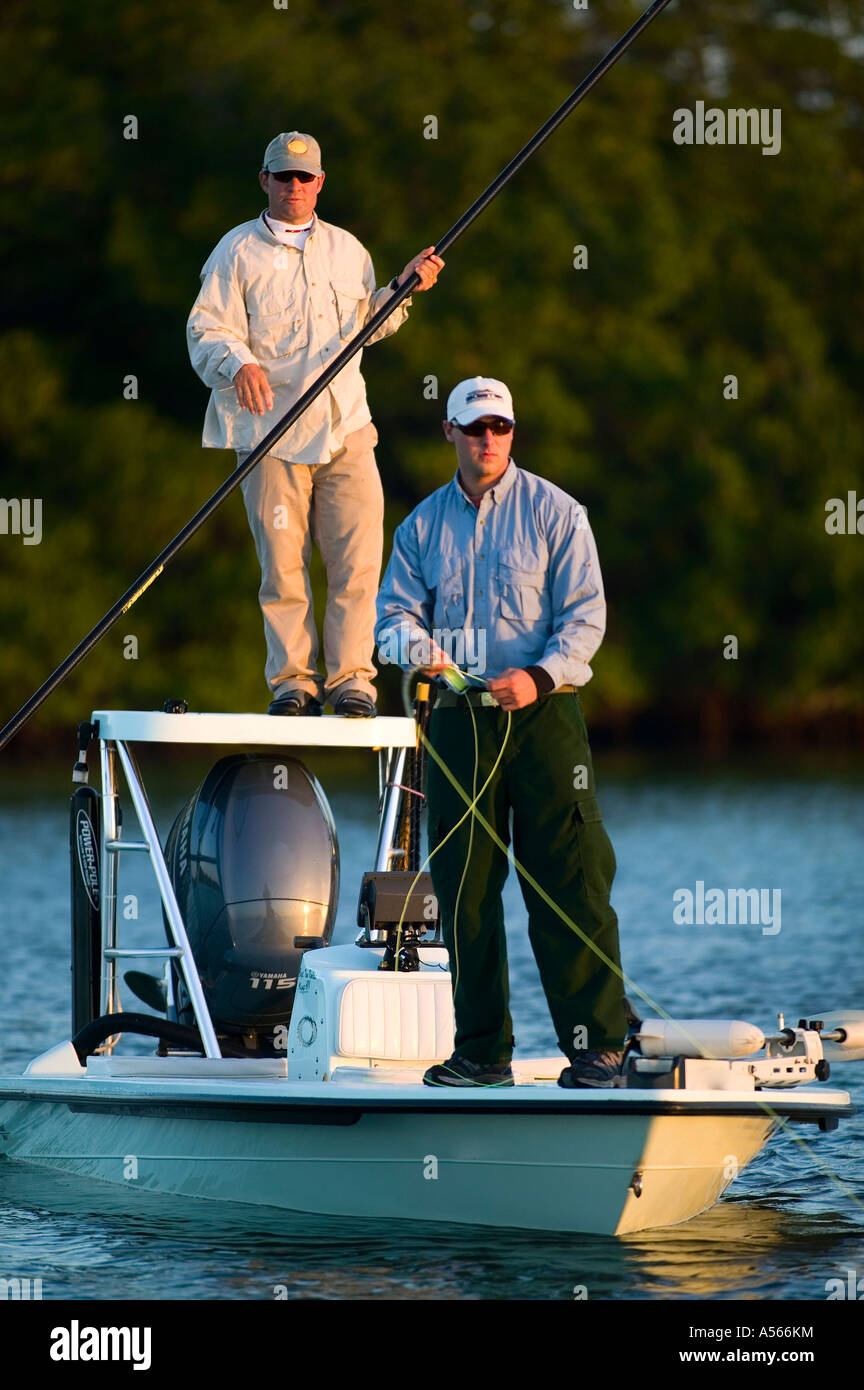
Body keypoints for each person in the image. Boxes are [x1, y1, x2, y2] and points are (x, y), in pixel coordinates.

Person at [375, 377, 631, 1088]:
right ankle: (482, 1055)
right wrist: (416, 649)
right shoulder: (421, 526)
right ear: (449, 433)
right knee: (463, 894)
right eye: (475, 427)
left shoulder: (558, 512)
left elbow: (585, 619)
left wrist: (541, 677)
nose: (489, 439)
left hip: (546, 719)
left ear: (513, 433)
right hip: (459, 722)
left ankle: (599, 1049)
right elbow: (391, 618)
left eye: (501, 427)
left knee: (570, 882)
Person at [187, 130, 443, 717]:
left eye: (304, 178)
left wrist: (403, 289)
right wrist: (240, 361)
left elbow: (368, 327)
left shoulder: (349, 250)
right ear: (265, 181)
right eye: (283, 176)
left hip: (346, 426)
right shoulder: (235, 252)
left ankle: (353, 681)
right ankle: (294, 685)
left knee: (357, 561)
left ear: (320, 183)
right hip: (268, 436)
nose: (293, 187)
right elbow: (204, 331)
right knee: (282, 566)